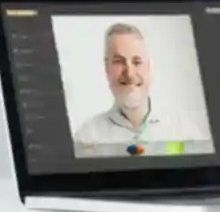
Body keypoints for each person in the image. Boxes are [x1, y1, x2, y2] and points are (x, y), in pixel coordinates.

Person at [74, 22, 200, 152]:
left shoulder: (182, 131)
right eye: (119, 62)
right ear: (107, 68)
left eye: (137, 62)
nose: (129, 73)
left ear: (149, 67)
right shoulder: (87, 137)